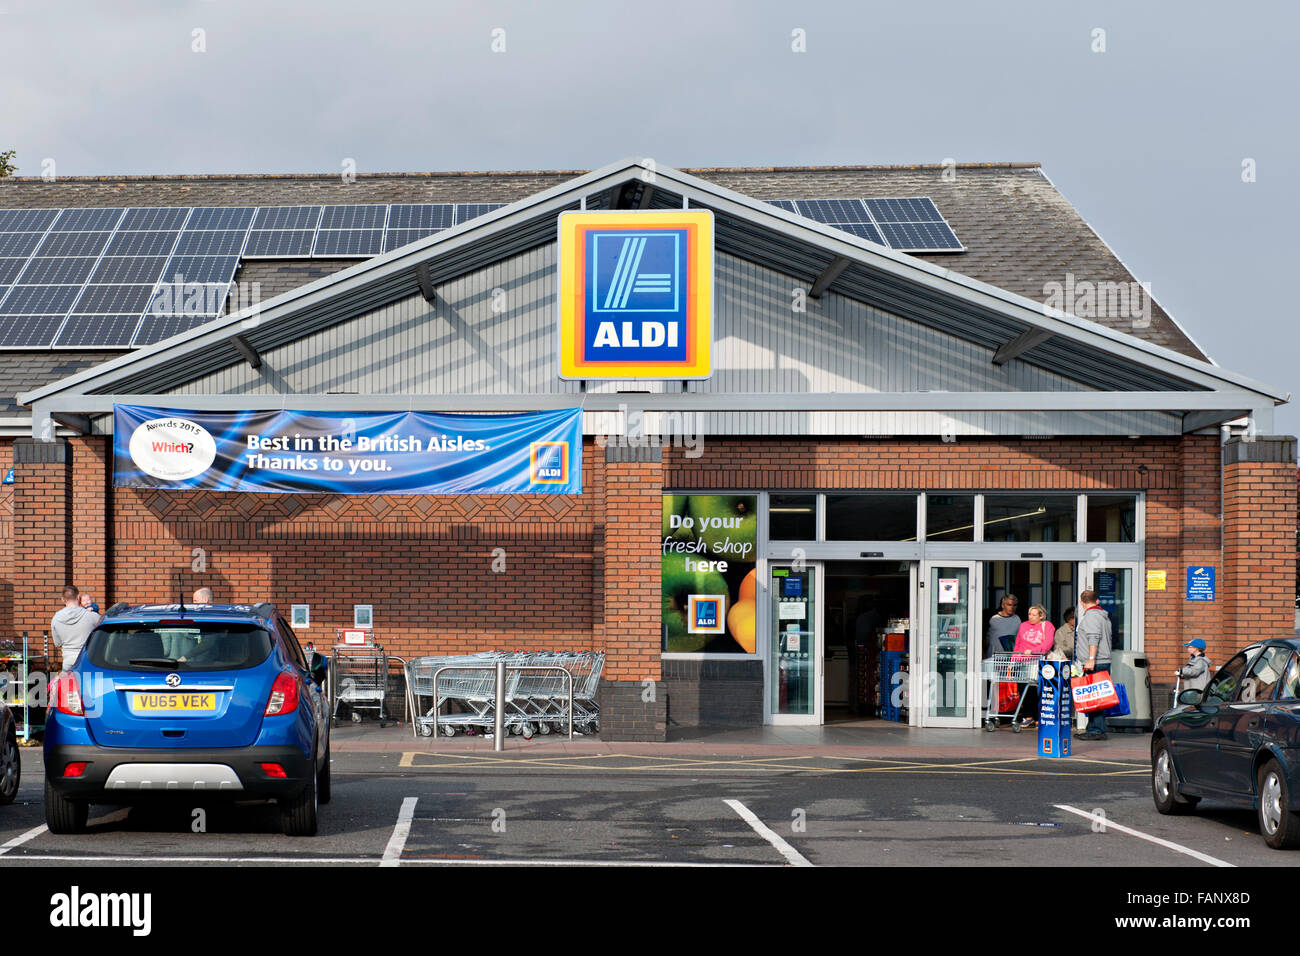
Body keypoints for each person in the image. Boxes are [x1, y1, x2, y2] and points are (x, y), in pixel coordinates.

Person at [1074, 589, 1113, 740]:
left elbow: (1093, 638)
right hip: (1102, 661)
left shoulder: (1091, 616)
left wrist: (1091, 659)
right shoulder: (1103, 616)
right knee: (1097, 696)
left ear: (1082, 603)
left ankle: (1096, 730)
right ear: (1097, 601)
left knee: (1095, 697)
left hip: (1095, 663)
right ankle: (1094, 727)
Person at [1012, 605, 1055, 727]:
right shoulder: (1023, 625)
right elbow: (1018, 644)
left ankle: (1039, 717)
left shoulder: (1047, 626)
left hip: (1039, 661)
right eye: (1029, 614)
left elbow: (1048, 643)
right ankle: (1028, 715)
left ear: (1041, 616)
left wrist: (1034, 650)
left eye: (1034, 614)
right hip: (1024, 662)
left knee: (1039, 690)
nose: (1031, 617)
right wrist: (1013, 661)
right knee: (1024, 689)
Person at [51, 585, 101, 669]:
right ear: (78, 597)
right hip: (89, 660)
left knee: (69, 682)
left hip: (68, 662)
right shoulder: (93, 616)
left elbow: (57, 643)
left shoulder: (56, 619)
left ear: (63, 600)